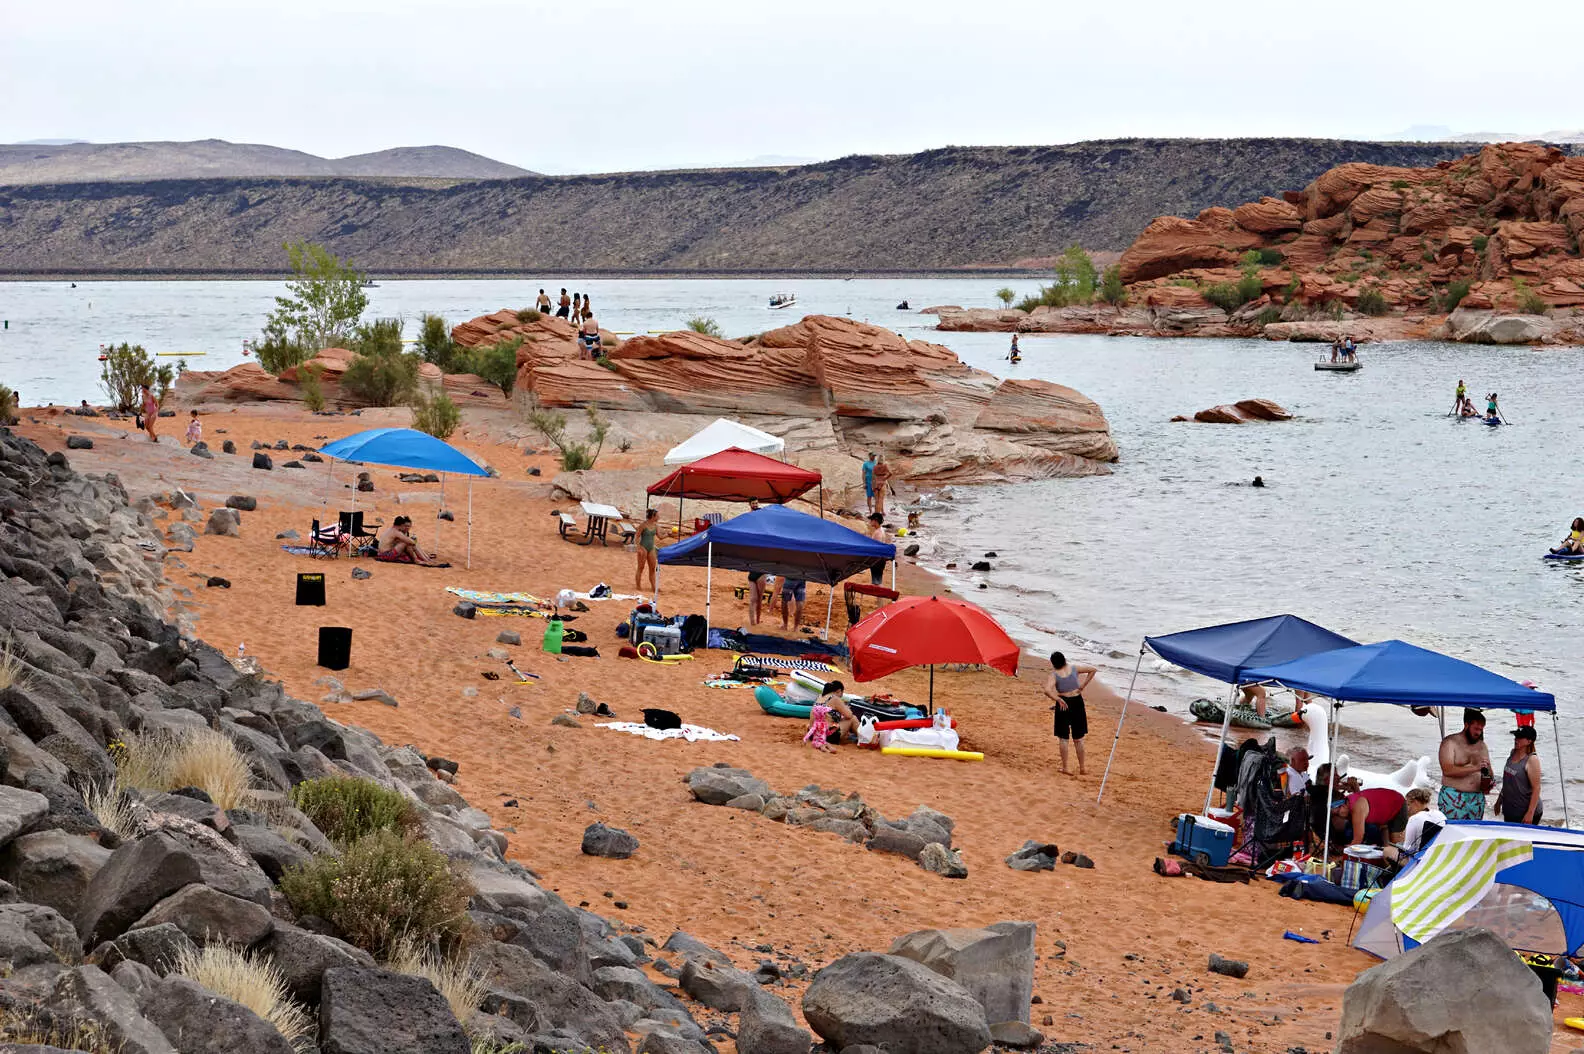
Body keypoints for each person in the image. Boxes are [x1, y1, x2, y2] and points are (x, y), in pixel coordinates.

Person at [1043, 651, 1096, 776]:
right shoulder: (1074, 668)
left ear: (1054, 663)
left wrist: (1057, 699)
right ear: (1064, 659)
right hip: (1077, 701)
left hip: (1063, 703)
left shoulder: (1054, 675)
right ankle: (1082, 768)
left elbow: (1047, 690)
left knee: (1063, 737)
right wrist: (1082, 686)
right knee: (1078, 738)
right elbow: (1093, 670)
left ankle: (1066, 767)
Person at [1438, 708, 1493, 820]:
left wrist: (1488, 782)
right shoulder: (1450, 742)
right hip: (1454, 796)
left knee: (1473, 834)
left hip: (1476, 799)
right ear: (1466, 725)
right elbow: (1447, 770)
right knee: (1452, 833)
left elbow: (1489, 771)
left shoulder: (1482, 746)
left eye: (1481, 729)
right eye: (1476, 729)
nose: (1479, 732)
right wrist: (1475, 768)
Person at [1496, 726, 1543, 825]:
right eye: (1516, 736)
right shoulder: (1513, 753)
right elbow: (1508, 782)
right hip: (1510, 810)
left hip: (1525, 813)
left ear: (1529, 741)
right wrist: (1499, 801)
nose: (1516, 739)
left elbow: (1536, 788)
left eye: (1520, 737)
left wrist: (1530, 813)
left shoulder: (1532, 760)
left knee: (1524, 840)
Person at [1331, 785, 1407, 846]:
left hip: (1397, 804)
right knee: (1386, 847)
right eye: (1336, 815)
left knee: (1395, 842)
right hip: (1383, 814)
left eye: (1338, 812)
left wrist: (1341, 856)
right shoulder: (1348, 804)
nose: (1340, 815)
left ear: (1343, 805)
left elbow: (1358, 839)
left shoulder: (1357, 806)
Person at [376, 516, 442, 565]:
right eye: (404, 526)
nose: (405, 527)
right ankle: (419, 560)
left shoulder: (391, 530)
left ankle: (426, 559)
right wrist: (414, 540)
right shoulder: (396, 532)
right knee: (408, 543)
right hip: (385, 555)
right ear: (401, 525)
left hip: (382, 554)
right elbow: (411, 542)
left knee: (410, 543)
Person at [635, 508, 659, 593]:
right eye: (657, 515)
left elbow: (660, 536)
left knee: (652, 568)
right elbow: (637, 536)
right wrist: (638, 548)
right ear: (653, 516)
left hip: (651, 548)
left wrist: (668, 534)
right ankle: (638, 586)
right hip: (643, 547)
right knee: (641, 567)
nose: (658, 517)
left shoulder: (655, 526)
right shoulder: (643, 525)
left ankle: (653, 587)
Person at [867, 513, 888, 586]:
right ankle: (880, 597)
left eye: (871, 520)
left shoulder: (878, 533)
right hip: (880, 559)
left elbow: (877, 548)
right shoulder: (881, 530)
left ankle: (880, 597)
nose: (870, 522)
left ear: (875, 521)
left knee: (876, 583)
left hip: (877, 560)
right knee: (878, 581)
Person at [871, 453, 892, 519]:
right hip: (882, 483)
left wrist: (873, 485)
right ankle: (878, 515)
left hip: (876, 483)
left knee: (876, 501)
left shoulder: (875, 467)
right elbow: (890, 473)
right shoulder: (885, 466)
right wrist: (885, 478)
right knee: (881, 500)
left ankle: (875, 515)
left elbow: (873, 477)